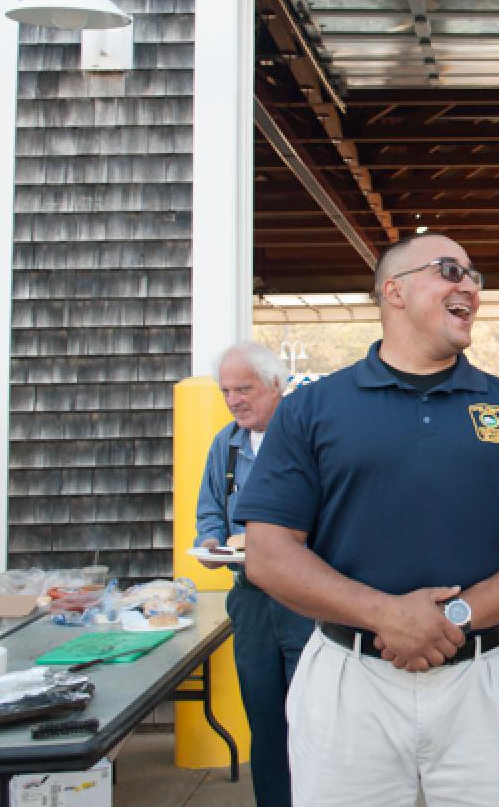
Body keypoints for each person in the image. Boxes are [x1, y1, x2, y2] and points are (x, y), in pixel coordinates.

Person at [237, 233, 499, 807]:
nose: (469, 286)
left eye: (474, 276)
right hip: (349, 681)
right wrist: (387, 616)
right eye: (450, 270)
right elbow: (268, 553)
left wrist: (455, 617)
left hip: (486, 679)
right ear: (393, 291)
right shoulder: (312, 409)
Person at [194, 341, 314, 807]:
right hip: (250, 599)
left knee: (314, 718)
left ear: (276, 385)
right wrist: (210, 543)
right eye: (225, 391)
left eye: (243, 389)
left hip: (307, 602)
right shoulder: (224, 446)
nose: (233, 400)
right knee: (264, 721)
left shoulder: (307, 440)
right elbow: (210, 513)